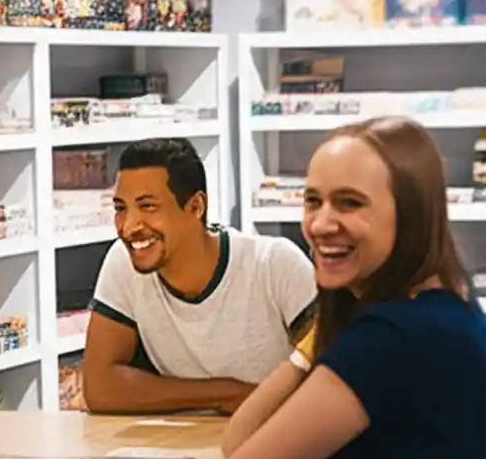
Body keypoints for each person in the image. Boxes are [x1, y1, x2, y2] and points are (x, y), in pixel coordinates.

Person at [216, 117, 486, 459]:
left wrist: (314, 346)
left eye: (349, 203)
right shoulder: (449, 306)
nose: (321, 224)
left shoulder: (391, 341)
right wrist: (315, 343)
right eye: (313, 201)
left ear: (410, 214)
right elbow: (240, 445)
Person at [82, 137, 316, 415]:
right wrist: (225, 393)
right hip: (190, 441)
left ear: (196, 207)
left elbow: (336, 379)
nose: (129, 226)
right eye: (121, 208)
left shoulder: (275, 264)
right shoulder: (123, 262)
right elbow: (100, 388)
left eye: (147, 207)